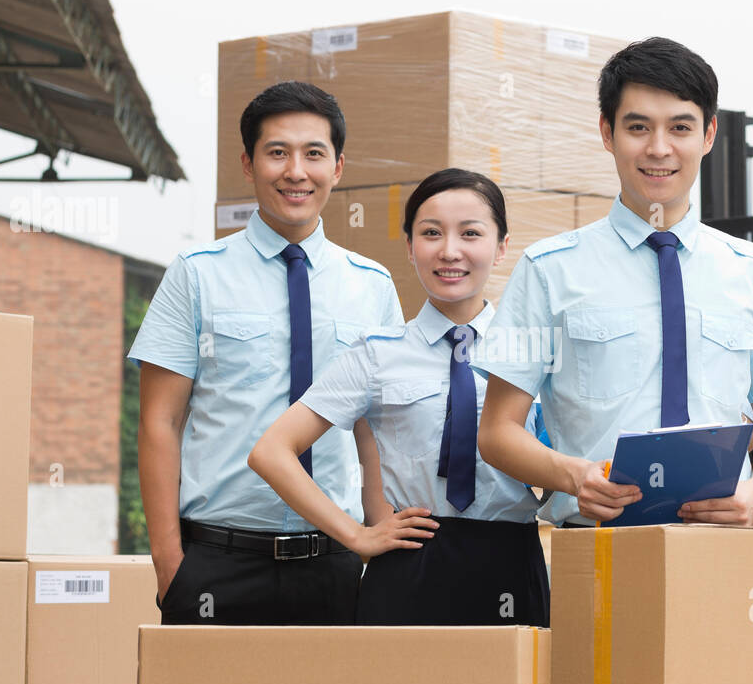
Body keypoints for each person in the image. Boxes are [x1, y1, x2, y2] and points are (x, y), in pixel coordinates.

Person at [475, 37, 753, 528]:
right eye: (638, 127)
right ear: (607, 132)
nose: (659, 148)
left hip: (720, 544)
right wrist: (575, 475)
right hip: (594, 543)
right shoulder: (549, 270)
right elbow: (496, 431)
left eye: (680, 127)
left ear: (708, 134)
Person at [129, 81, 403, 625]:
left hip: (335, 564)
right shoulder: (197, 273)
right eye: (277, 152)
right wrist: (169, 564)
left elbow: (379, 428)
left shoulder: (371, 286)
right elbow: (160, 420)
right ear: (249, 165)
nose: (295, 171)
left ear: (338, 167)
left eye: (313, 154)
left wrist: (377, 534)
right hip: (218, 562)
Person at [249, 168, 549, 626]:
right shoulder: (376, 354)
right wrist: (357, 535)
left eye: (471, 233)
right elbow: (271, 451)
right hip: (412, 565)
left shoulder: (533, 351)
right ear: (409, 247)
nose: (450, 251)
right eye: (431, 234)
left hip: (511, 561)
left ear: (502, 245)